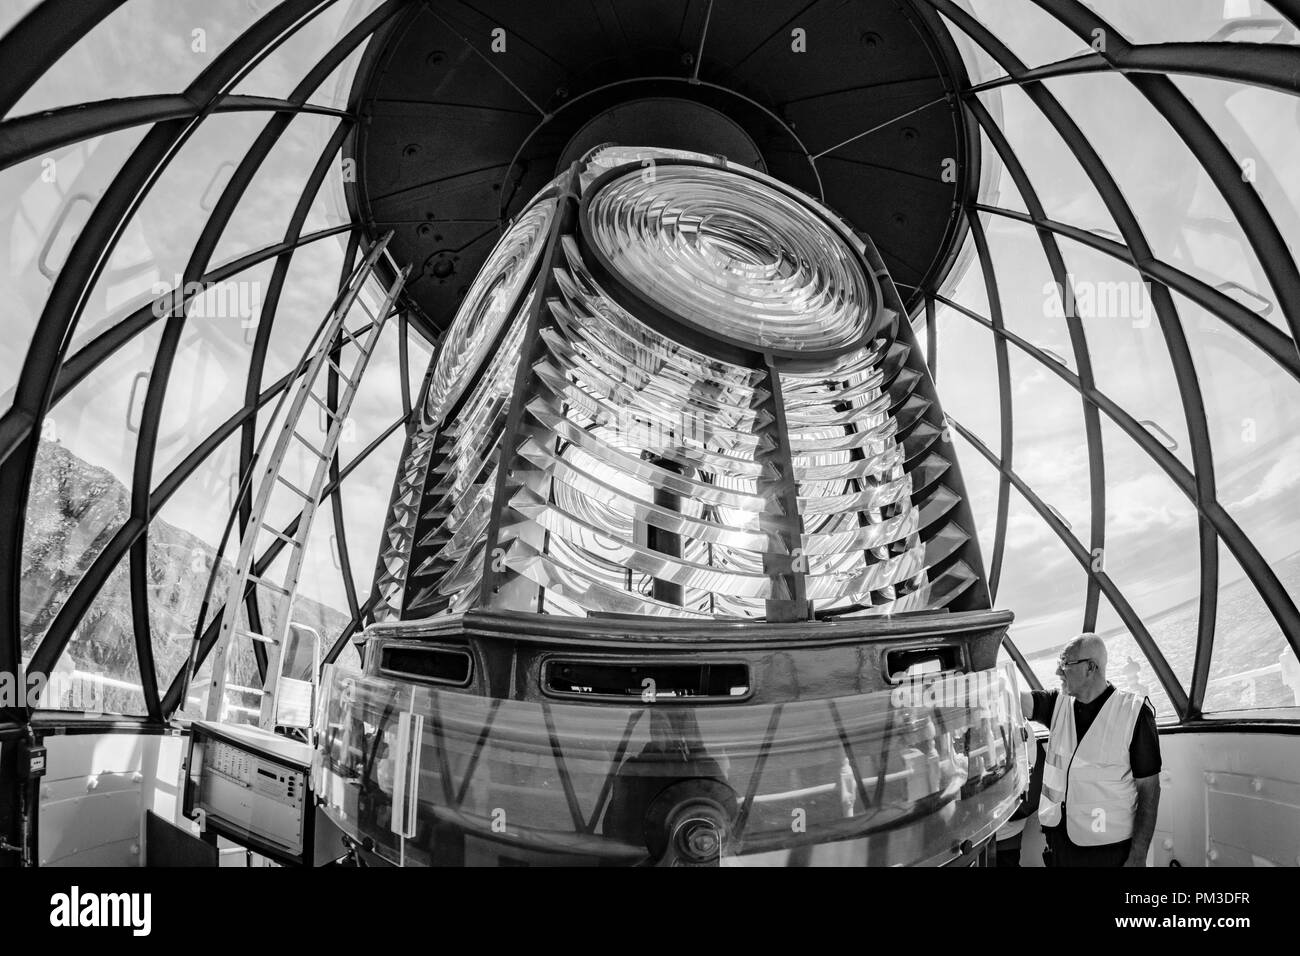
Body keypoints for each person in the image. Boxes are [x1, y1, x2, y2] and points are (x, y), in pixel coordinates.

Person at [1018, 634, 1160, 867]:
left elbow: (1150, 791)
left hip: (1108, 850)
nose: (1058, 672)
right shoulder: (1057, 704)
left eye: (1065, 665)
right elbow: (1017, 700)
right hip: (1060, 845)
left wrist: (1138, 855)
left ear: (1090, 668)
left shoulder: (1134, 713)